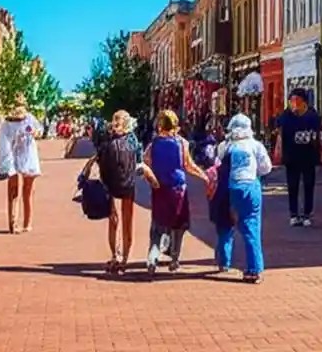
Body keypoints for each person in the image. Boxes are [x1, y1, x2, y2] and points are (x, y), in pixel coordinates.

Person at [82, 110, 157, 274]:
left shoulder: (106, 138)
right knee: (127, 221)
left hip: (108, 182)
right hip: (127, 184)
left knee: (113, 220)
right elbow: (138, 164)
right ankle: (126, 258)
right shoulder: (131, 139)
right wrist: (152, 181)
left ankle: (114, 255)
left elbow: (98, 155)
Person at [143, 110, 206, 275]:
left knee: (158, 225)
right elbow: (188, 165)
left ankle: (152, 258)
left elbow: (145, 164)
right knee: (178, 225)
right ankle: (174, 260)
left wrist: (151, 179)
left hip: (159, 188)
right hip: (178, 188)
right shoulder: (182, 143)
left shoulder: (153, 144)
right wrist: (204, 176)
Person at [214, 113, 271, 283]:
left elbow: (217, 164)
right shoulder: (255, 145)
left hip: (232, 187)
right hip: (251, 186)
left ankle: (224, 260)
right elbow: (266, 167)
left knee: (228, 224)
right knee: (252, 227)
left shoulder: (225, 146)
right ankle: (254, 269)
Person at [272, 89, 322, 227]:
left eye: (297, 101)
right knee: (292, 185)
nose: (294, 104)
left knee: (308, 184)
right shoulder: (286, 116)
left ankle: (307, 214)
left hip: (309, 157)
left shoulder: (312, 116)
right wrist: (278, 151)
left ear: (304, 102)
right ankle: (294, 214)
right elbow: (279, 133)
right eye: (291, 101)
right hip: (292, 157)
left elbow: (319, 135)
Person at [0, 95, 43, 234]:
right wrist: (5, 162)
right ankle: (13, 221)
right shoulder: (6, 124)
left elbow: (39, 130)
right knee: (13, 190)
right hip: (13, 156)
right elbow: (3, 144)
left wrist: (36, 133)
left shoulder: (29, 118)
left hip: (28, 155)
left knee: (27, 191)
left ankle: (27, 223)